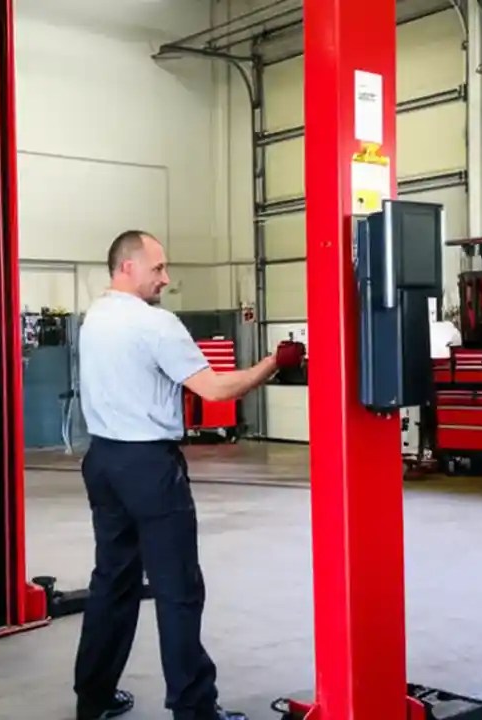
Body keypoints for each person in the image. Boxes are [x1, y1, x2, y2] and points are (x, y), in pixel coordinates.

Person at [72, 230, 306, 720]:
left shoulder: (94, 318)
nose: (166, 278)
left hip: (104, 463)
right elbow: (218, 389)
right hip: (150, 469)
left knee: (112, 582)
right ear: (127, 267)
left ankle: (92, 698)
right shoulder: (157, 325)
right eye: (157, 268)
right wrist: (272, 364)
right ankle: (194, 709)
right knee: (177, 588)